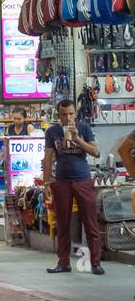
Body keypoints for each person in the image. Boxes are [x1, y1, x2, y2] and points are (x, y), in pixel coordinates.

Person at [42, 99, 104, 275]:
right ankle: (63, 262)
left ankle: (96, 263)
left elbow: (96, 152)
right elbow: (48, 157)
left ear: (75, 113)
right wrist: (46, 182)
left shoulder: (83, 128)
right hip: (61, 181)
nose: (67, 117)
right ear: (58, 115)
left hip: (82, 179)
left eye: (70, 113)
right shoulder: (52, 132)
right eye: (64, 114)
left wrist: (76, 138)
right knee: (62, 223)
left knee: (90, 222)